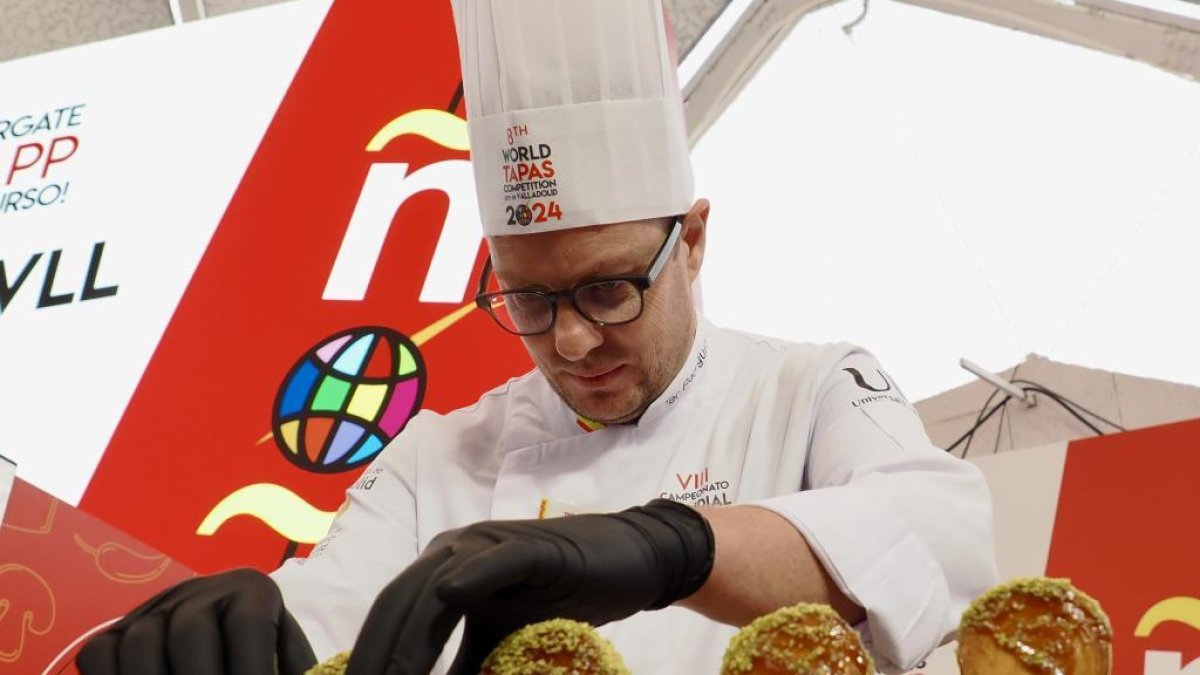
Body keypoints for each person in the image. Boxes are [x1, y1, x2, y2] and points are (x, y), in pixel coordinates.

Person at [78, 1, 998, 673]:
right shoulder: (437, 457)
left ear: (696, 240)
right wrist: (228, 633)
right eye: (528, 299)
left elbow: (937, 541)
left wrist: (664, 547)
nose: (568, 341)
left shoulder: (809, 389)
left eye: (607, 290)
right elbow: (328, 625)